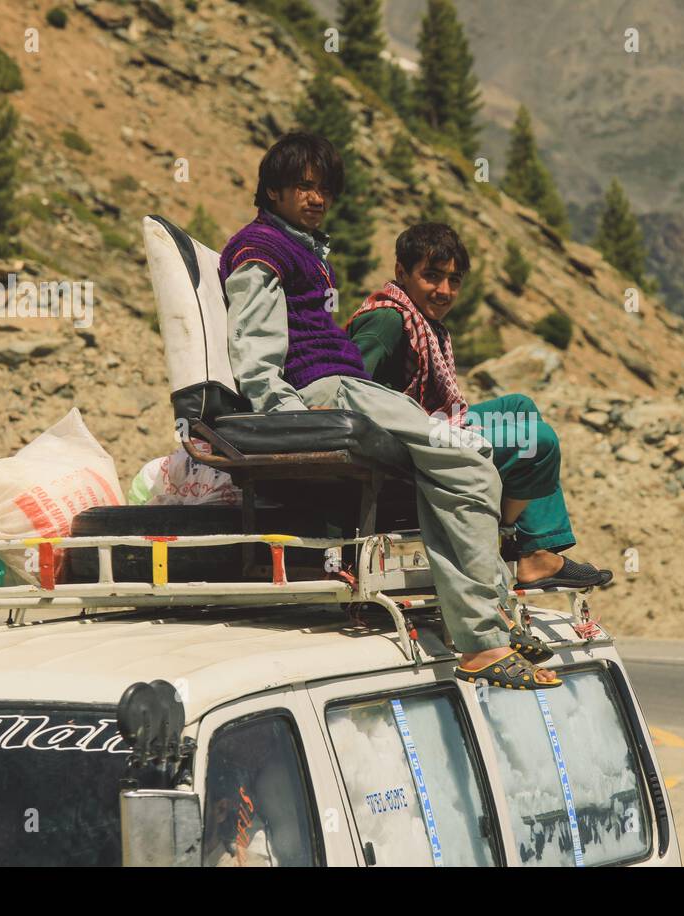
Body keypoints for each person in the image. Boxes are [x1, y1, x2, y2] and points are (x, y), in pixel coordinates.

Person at [219, 131, 557, 690]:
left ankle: (491, 614)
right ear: (273, 188)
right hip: (328, 392)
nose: (316, 198)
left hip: (347, 389)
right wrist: (288, 419)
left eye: (324, 188)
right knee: (468, 459)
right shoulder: (260, 249)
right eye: (303, 186)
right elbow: (253, 352)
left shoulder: (302, 250)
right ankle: (481, 642)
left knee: (475, 453)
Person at [346, 223, 611, 591]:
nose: (444, 291)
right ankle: (511, 538)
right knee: (538, 441)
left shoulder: (425, 321)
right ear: (401, 273)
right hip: (407, 444)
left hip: (428, 424)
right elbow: (350, 389)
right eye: (432, 276)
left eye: (454, 280)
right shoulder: (388, 320)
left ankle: (537, 551)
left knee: (519, 406)